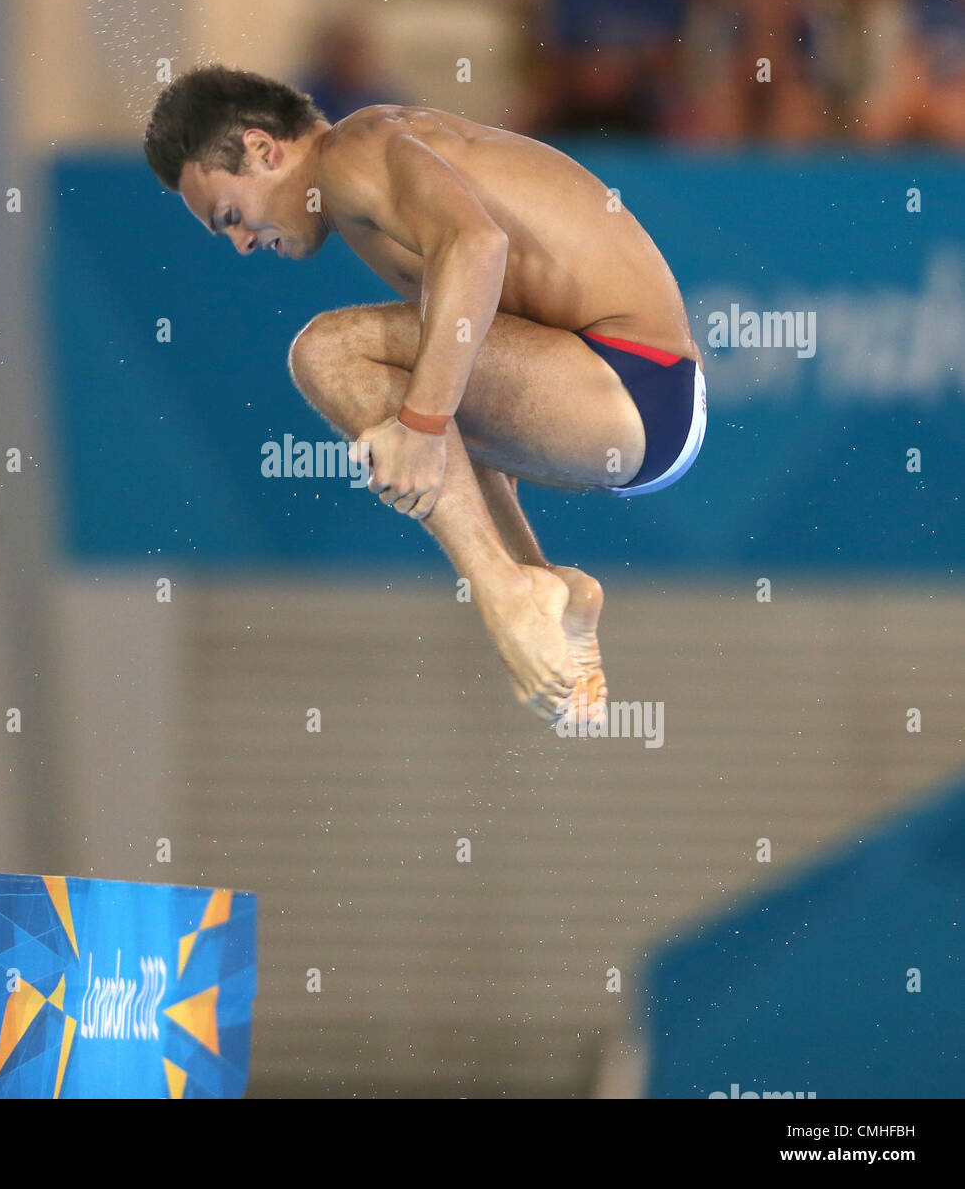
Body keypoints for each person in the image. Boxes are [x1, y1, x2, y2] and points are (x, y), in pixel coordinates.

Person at [143, 66, 706, 721]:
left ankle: (506, 594)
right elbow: (473, 362)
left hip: (635, 378)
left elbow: (478, 244)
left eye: (232, 216)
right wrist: (436, 430)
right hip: (624, 397)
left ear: (265, 148)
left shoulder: (357, 152)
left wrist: (420, 425)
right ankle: (542, 586)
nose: (242, 244)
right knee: (431, 368)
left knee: (329, 352)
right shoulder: (363, 194)